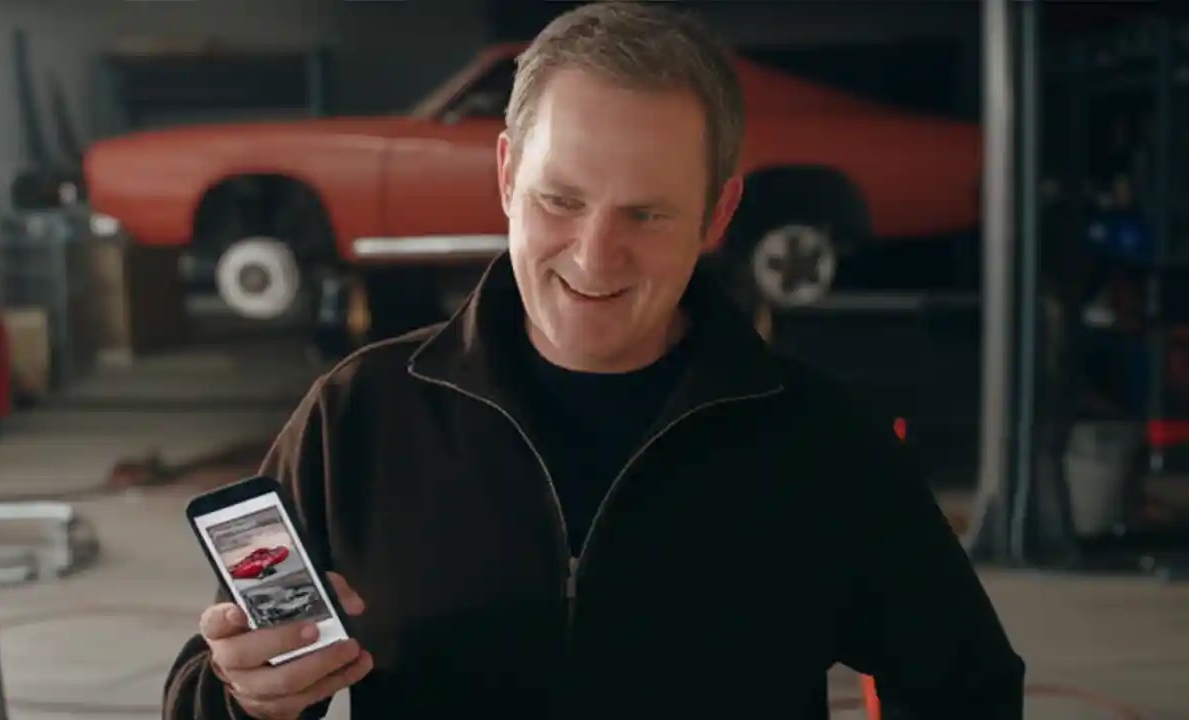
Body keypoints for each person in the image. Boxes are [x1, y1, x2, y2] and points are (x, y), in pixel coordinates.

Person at [162, 4, 1025, 719]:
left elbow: (969, 690)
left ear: (718, 214)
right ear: (506, 177)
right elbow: (205, 688)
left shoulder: (822, 443)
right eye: (560, 200)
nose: (594, 256)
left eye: (646, 214)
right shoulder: (358, 417)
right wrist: (248, 696)